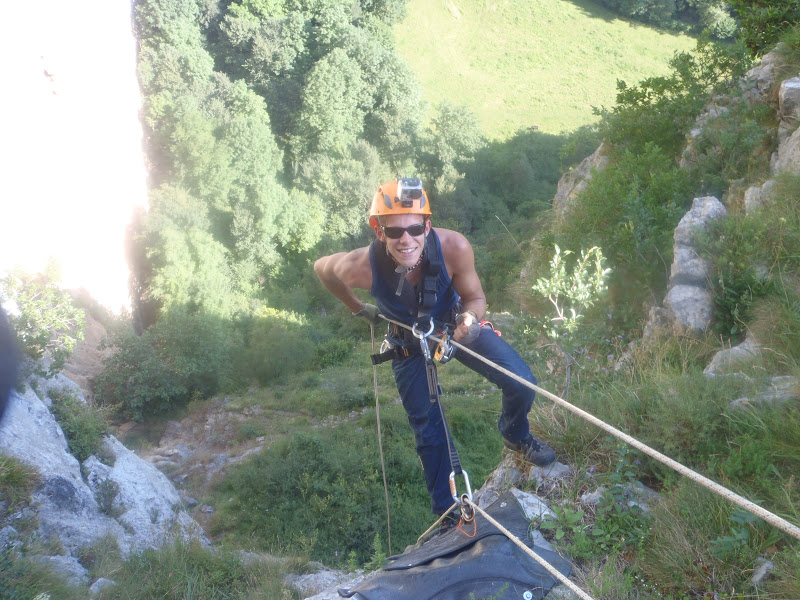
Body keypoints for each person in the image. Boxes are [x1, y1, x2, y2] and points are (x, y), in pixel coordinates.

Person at [314, 177, 555, 521]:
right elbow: (322, 269)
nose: (406, 240)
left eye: (414, 228)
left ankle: (516, 435)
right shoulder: (360, 266)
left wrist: (470, 319)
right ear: (378, 230)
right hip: (406, 341)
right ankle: (447, 513)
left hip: (455, 326)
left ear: (427, 225)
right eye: (394, 231)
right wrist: (356, 307)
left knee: (520, 380)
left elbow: (475, 297)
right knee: (429, 431)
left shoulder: (454, 247)